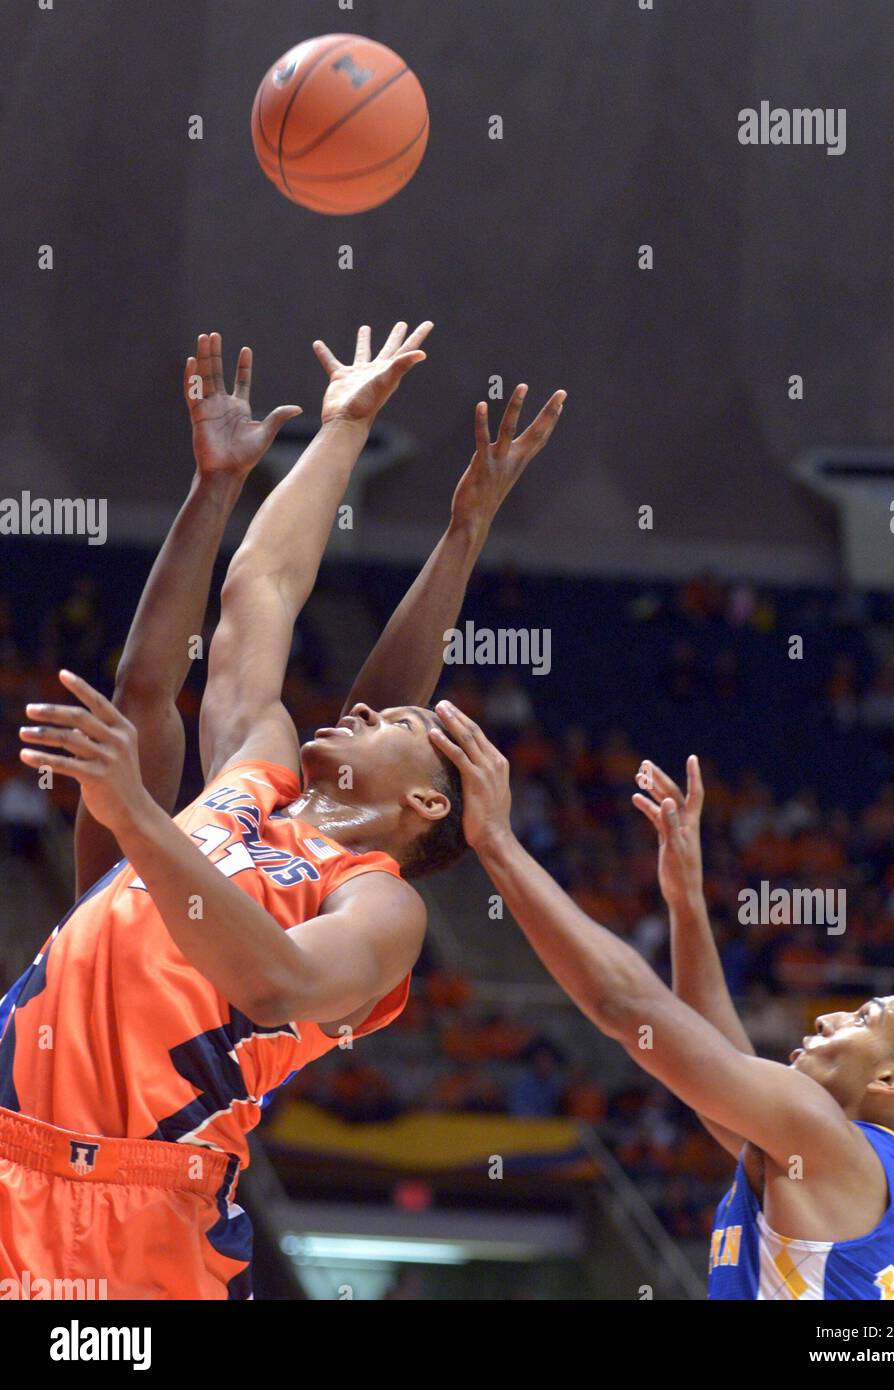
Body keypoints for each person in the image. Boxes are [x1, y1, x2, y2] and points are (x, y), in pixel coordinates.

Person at [1, 323, 566, 1299]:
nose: (359, 705)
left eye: (388, 719)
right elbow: (259, 588)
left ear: (428, 799)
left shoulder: (382, 907)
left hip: (147, 1222)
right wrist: (340, 429)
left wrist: (139, 816)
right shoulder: (254, 771)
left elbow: (278, 984)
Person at [429, 705, 894, 1300]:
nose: (830, 1016)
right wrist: (687, 902)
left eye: (863, 1018)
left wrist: (495, 840)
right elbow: (713, 1060)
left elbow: (630, 1010)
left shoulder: (824, 1140)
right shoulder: (837, 1164)